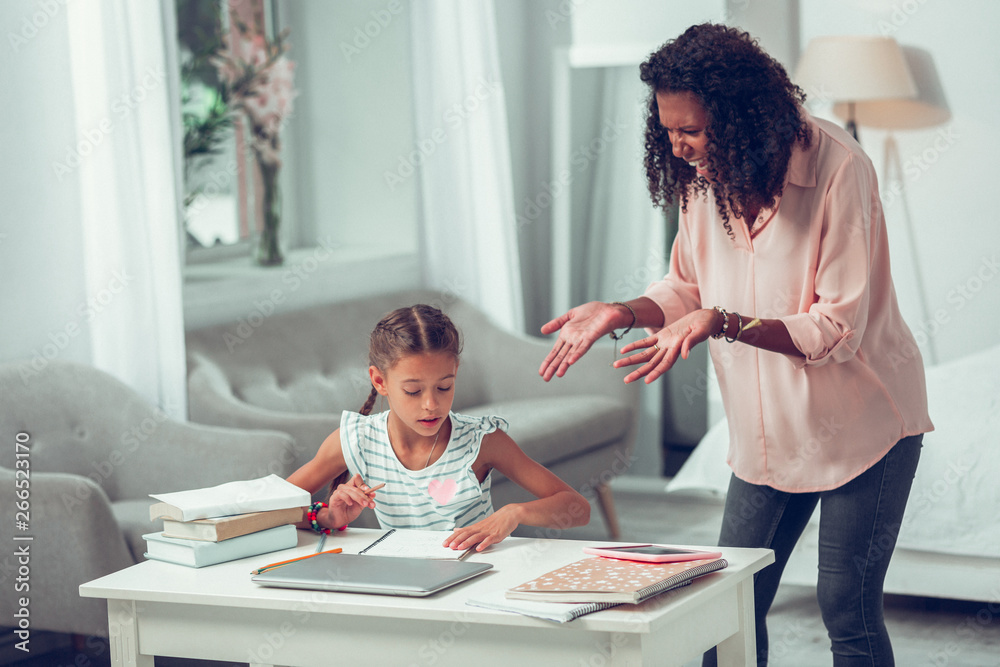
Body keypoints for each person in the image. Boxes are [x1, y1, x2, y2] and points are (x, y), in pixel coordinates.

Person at [538, 23, 933, 667]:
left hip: (865, 425)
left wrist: (722, 322)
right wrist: (622, 312)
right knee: (724, 604)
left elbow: (835, 329)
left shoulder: (840, 168)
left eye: (691, 130)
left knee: (847, 606)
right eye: (666, 129)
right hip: (767, 432)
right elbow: (685, 288)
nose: (677, 146)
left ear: (743, 115)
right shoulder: (703, 178)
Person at [288, 303, 590, 553]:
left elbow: (578, 508)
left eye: (444, 386)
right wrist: (328, 517)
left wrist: (515, 512)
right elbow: (269, 511)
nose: (431, 404)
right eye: (413, 391)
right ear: (380, 381)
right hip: (405, 584)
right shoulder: (357, 440)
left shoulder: (482, 441)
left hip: (478, 578)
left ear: (455, 371)